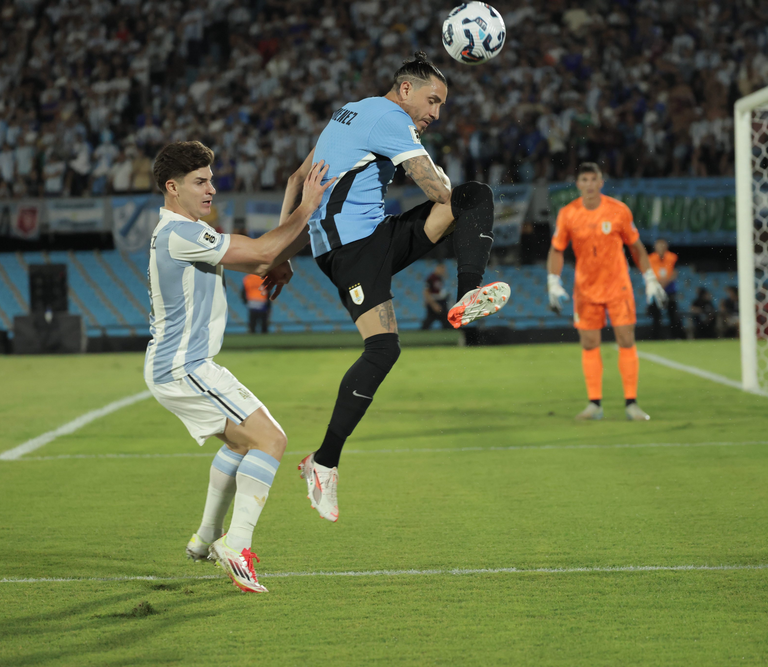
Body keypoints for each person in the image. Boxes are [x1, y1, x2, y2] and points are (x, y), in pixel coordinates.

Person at [296, 52, 511, 523]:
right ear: (406, 89)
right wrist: (278, 254)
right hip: (351, 250)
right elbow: (437, 191)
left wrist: (281, 250)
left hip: (374, 236)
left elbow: (297, 177)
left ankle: (468, 295)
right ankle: (322, 463)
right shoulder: (390, 118)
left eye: (442, 105)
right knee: (383, 350)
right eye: (433, 101)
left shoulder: (351, 112)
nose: (437, 113)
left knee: (475, 195)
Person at [144, 140, 333, 593]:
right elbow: (262, 252)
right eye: (200, 182)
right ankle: (236, 543)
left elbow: (263, 257)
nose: (211, 189)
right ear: (172, 188)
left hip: (182, 364)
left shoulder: (183, 231)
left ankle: (205, 537)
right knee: (271, 440)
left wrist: (277, 259)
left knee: (243, 443)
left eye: (211, 180)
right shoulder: (180, 233)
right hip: (184, 367)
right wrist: (306, 207)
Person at [546, 162, 667, 421]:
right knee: (589, 343)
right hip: (586, 289)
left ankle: (631, 404)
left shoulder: (618, 211)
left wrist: (649, 277)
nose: (589, 184)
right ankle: (594, 405)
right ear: (578, 184)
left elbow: (635, 247)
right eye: (585, 180)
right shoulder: (568, 214)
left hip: (617, 286)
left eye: (594, 179)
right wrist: (552, 281)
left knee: (626, 339)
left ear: (601, 182)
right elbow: (557, 249)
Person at [646, 238, 685, 340]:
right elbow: (648, 273)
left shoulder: (673, 257)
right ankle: (655, 338)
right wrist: (659, 284)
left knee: (673, 314)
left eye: (662, 245)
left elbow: (675, 272)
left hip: (670, 289)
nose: (661, 247)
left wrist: (665, 282)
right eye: (658, 245)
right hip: (656, 290)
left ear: (666, 246)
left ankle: (676, 337)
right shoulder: (650, 258)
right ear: (655, 247)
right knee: (656, 315)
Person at [421, 263, 453, 330]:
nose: (444, 271)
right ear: (437, 268)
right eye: (442, 268)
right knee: (430, 320)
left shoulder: (439, 278)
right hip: (435, 301)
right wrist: (434, 304)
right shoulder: (431, 278)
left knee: (444, 320)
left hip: (440, 301)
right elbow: (426, 292)